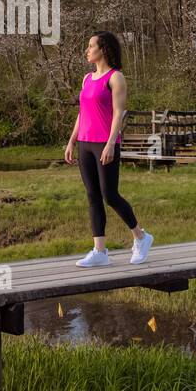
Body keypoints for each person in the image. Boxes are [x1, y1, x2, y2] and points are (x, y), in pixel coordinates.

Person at [64, 31, 152, 266]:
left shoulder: (116, 78)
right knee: (93, 196)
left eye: (90, 46)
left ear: (102, 49)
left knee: (110, 195)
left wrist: (111, 143)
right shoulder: (86, 79)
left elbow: (118, 114)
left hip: (105, 143)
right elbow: (82, 113)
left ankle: (141, 238)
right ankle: (100, 252)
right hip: (85, 142)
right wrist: (72, 141)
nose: (87, 50)